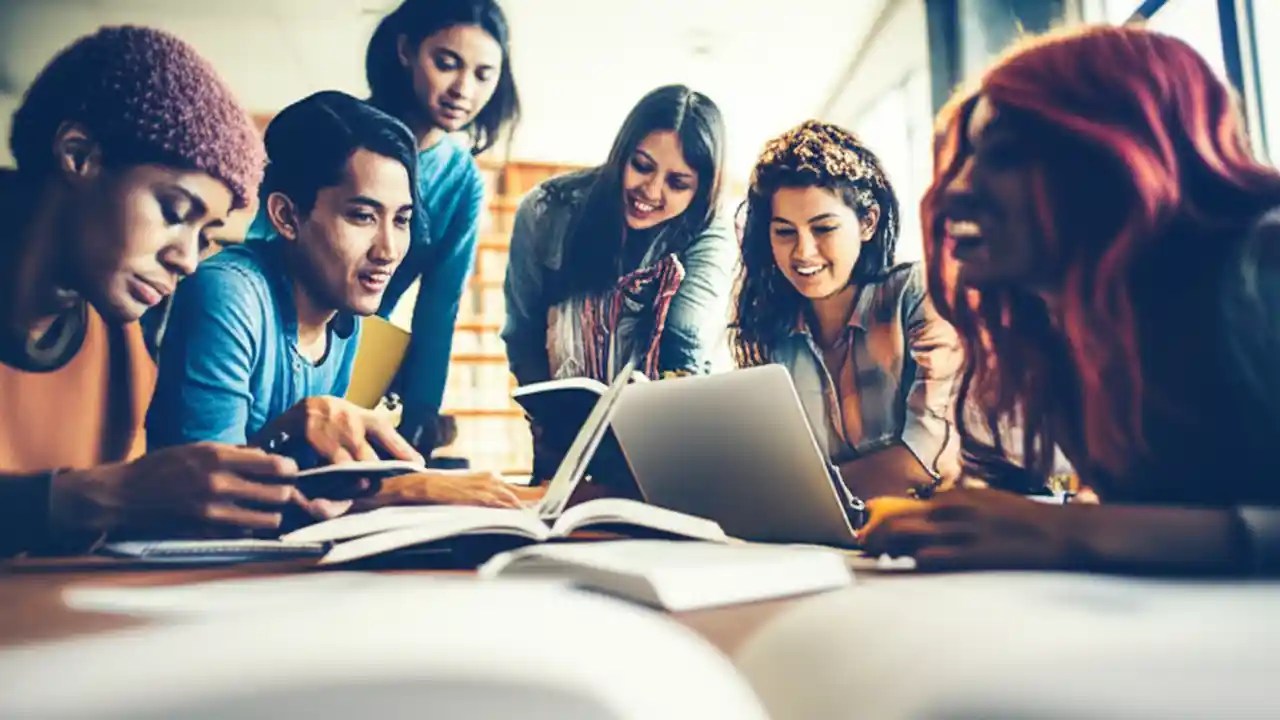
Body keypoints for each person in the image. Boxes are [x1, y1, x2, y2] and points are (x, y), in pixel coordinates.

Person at [858, 26, 1280, 574]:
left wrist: (1074, 530)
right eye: (966, 158)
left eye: (1005, 156)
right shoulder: (1072, 330)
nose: (958, 188)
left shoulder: (1262, 263)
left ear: (1114, 153)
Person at [0, 25, 312, 555]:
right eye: (174, 212)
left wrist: (268, 471)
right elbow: (108, 499)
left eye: (205, 236)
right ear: (78, 155)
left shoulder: (127, 340)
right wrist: (96, 498)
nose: (187, 260)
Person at [149, 91, 528, 510]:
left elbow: (317, 487)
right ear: (287, 217)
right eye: (362, 216)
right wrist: (400, 493)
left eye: (401, 220)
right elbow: (210, 500)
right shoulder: (227, 293)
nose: (387, 250)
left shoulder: (346, 323)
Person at [501, 84, 737, 480]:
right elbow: (523, 333)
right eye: (642, 166)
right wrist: (551, 425)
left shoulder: (710, 229)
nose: (651, 191)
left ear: (700, 191)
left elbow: (684, 346)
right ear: (621, 153)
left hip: (662, 438)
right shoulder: (546, 211)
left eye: (678, 183)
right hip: (560, 439)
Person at [732, 121, 962, 500]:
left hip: (930, 539)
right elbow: (768, 468)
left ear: (867, 223)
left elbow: (927, 460)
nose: (803, 252)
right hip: (818, 540)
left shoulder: (917, 295)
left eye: (823, 229)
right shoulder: (771, 334)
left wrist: (785, 493)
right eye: (785, 232)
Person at [363, 0, 522, 456]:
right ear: (406, 50)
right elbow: (267, 248)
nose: (463, 89)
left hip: (364, 354)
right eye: (447, 63)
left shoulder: (463, 181)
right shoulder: (338, 129)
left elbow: (440, 305)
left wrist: (421, 417)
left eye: (483, 74)